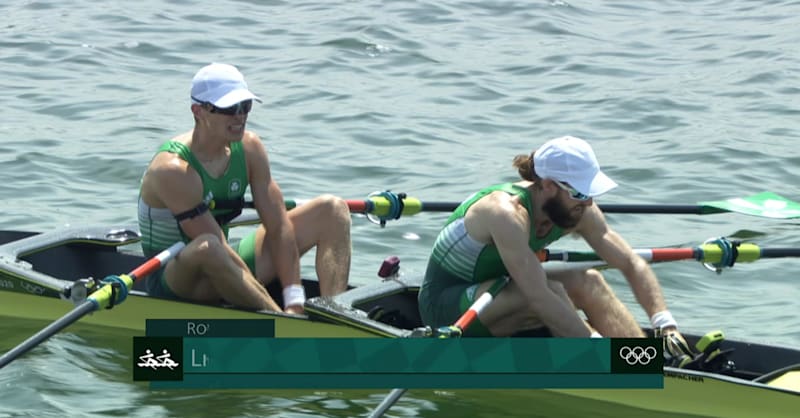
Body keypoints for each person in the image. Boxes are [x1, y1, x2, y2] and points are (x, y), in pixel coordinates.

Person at [418, 135, 695, 364]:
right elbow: (538, 296)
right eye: (580, 193)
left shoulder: (578, 209)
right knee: (548, 292)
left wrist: (664, 322)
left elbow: (630, 263)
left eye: (590, 193)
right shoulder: (505, 213)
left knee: (588, 280)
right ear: (549, 186)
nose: (587, 203)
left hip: (498, 291)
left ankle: (643, 360)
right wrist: (601, 354)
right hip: (447, 309)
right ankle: (617, 363)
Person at [137, 62, 351, 314]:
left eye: (245, 106)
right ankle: (281, 324)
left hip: (225, 261)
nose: (240, 116)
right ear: (198, 111)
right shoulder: (173, 169)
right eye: (229, 108)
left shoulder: (250, 148)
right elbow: (214, 244)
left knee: (333, 210)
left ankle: (335, 314)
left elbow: (279, 226)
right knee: (209, 246)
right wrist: (284, 319)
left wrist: (294, 301)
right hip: (176, 280)